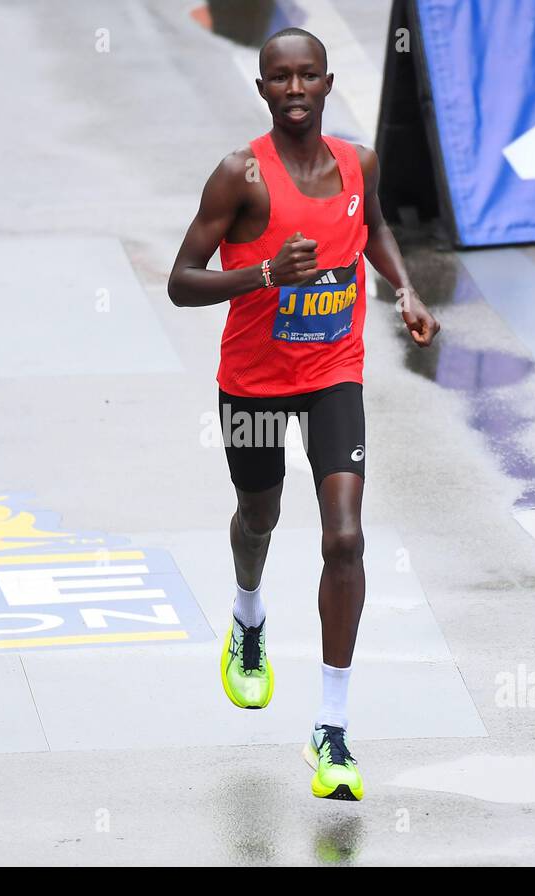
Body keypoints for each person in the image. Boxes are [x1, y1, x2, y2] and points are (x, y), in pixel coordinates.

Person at [167, 26, 439, 800]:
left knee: (345, 536)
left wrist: (405, 288)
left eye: (308, 77)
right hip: (253, 385)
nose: (294, 89)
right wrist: (259, 274)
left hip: (332, 376)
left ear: (326, 85)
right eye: (279, 78)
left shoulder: (358, 162)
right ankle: (248, 617)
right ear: (262, 89)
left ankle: (332, 728)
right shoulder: (239, 176)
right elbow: (182, 281)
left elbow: (374, 227)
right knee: (259, 516)